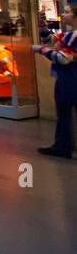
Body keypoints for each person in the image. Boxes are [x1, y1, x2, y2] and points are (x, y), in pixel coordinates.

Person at [35, 29, 77, 158]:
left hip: (70, 78)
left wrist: (41, 50)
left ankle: (63, 147)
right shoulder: (68, 35)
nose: (64, 13)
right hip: (67, 77)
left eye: (68, 11)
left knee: (64, 113)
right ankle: (63, 145)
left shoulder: (74, 37)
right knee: (64, 114)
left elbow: (64, 58)